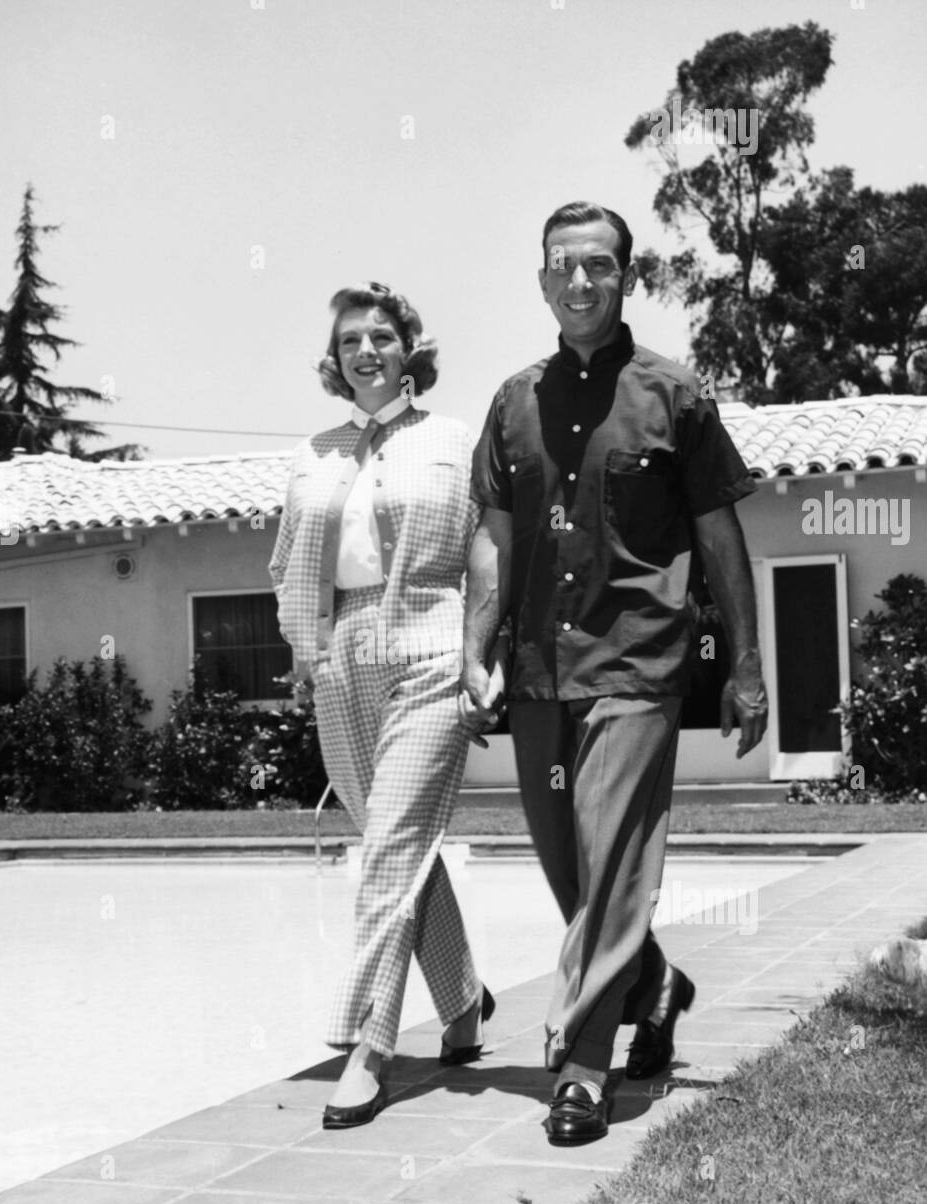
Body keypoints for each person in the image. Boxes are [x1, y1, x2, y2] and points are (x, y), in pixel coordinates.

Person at [459, 201, 768, 1146]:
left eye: (599, 265)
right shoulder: (513, 403)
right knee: (573, 873)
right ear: (541, 278)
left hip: (637, 663)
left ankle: (582, 1069)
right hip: (541, 671)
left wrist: (746, 663)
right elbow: (495, 535)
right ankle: (655, 983)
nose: (581, 282)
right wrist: (475, 648)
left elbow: (719, 535)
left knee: (614, 866)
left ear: (625, 277)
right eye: (563, 266)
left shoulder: (673, 396)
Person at [269, 282, 496, 1129]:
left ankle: (367, 1046)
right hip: (341, 657)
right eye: (351, 340)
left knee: (389, 850)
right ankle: (465, 1003)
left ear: (410, 349)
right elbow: (292, 559)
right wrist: (305, 652)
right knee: (402, 846)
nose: (367, 349)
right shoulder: (314, 452)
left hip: (432, 644)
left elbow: (486, 553)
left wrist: (481, 654)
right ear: (335, 361)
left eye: (383, 335)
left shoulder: (453, 441)